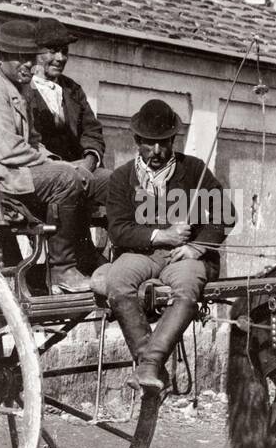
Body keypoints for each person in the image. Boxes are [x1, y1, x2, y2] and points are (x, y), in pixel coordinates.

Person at [0, 19, 91, 293]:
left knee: (93, 179)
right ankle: (62, 269)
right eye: (18, 59)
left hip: (4, 172)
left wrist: (56, 161)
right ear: (0, 57)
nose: (27, 65)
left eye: (30, 58)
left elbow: (32, 140)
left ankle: (92, 260)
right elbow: (7, 149)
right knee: (67, 180)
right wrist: (58, 167)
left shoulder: (17, 86)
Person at [97, 99, 233, 392]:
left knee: (187, 286)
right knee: (117, 281)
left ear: (173, 140)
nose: (156, 152)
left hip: (183, 257)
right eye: (149, 144)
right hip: (140, 254)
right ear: (137, 141)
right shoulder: (122, 177)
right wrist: (162, 236)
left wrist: (196, 247)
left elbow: (226, 213)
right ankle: (151, 364)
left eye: (163, 143)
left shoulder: (194, 170)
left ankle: (149, 364)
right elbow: (118, 230)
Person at [28, 16, 109, 271]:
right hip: (42, 174)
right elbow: (25, 142)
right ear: (35, 53)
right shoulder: (22, 90)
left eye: (64, 51)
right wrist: (64, 169)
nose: (60, 58)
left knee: (119, 183)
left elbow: (93, 132)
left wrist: (87, 163)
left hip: (80, 171)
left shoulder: (72, 89)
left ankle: (128, 255)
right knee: (68, 184)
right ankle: (68, 264)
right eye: (52, 50)